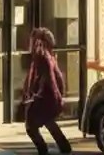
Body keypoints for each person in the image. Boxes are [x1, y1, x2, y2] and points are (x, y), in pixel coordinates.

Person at [21, 27, 71, 155]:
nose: (30, 42)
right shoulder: (48, 55)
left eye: (32, 39)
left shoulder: (42, 55)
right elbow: (58, 76)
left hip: (45, 98)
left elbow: (49, 77)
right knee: (48, 122)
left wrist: (38, 94)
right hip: (49, 98)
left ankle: (44, 150)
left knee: (31, 127)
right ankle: (65, 148)